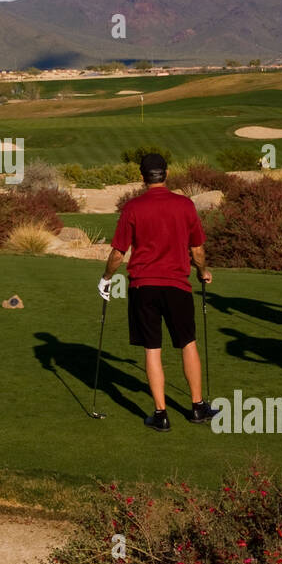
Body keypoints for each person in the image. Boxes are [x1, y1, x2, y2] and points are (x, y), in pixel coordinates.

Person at [99, 153, 218, 431]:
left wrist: (105, 277)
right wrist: (202, 272)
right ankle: (198, 408)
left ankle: (161, 415)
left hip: (143, 286)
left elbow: (118, 253)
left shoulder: (133, 207)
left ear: (143, 176)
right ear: (166, 173)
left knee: (153, 348)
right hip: (177, 285)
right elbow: (197, 250)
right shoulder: (184, 205)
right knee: (187, 343)